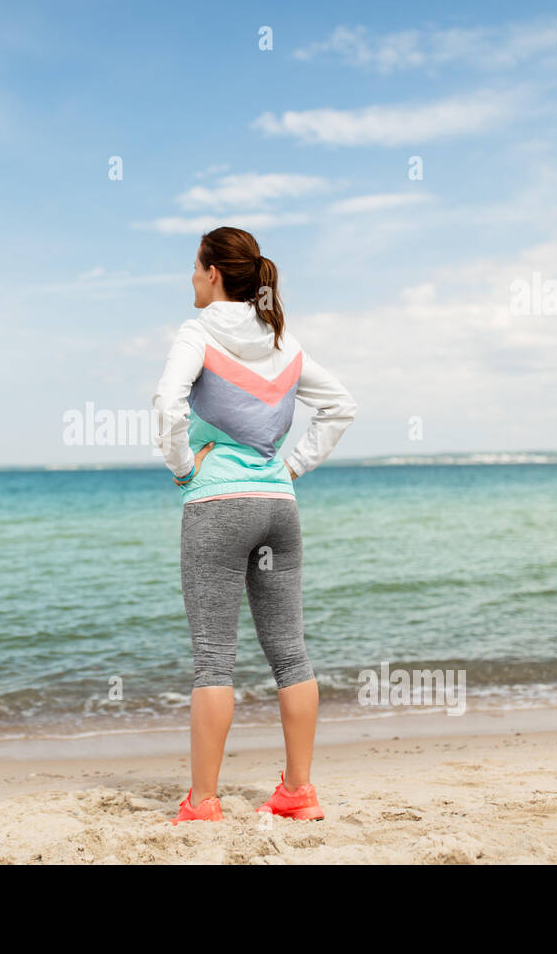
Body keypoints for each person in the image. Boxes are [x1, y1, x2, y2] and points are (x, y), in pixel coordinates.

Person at [152, 226, 358, 823]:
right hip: (277, 510)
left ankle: (205, 801)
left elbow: (167, 404)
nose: (190, 276)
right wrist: (290, 467)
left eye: (195, 266)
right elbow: (342, 404)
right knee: (290, 653)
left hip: (218, 507)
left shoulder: (197, 332)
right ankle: (299, 792)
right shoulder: (281, 341)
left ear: (214, 273)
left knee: (214, 659)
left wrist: (184, 466)